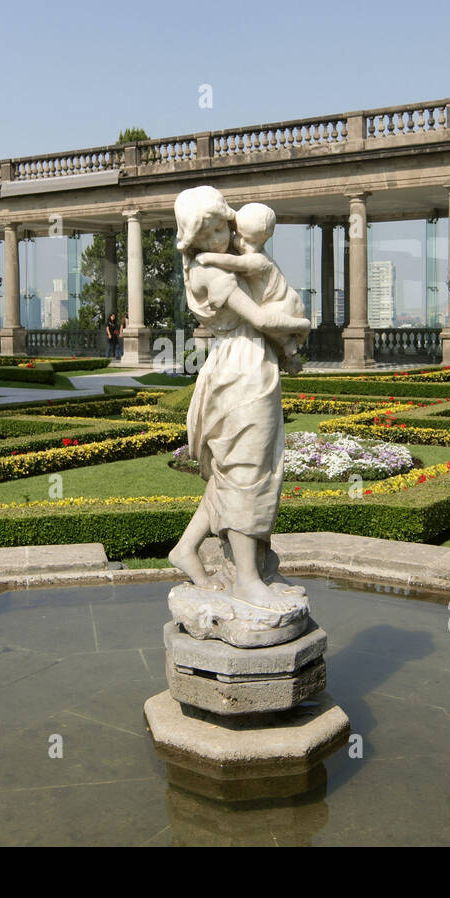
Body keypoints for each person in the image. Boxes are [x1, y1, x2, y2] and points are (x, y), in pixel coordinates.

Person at [166, 186, 310, 613]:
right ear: (192, 240)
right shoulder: (210, 272)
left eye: (219, 228)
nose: (216, 241)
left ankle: (198, 551)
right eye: (206, 235)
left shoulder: (228, 260)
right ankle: (247, 579)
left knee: (244, 468)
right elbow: (263, 319)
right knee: (246, 470)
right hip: (241, 369)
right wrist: (303, 324)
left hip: (252, 364)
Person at [195, 202, 309, 374]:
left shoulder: (259, 260)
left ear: (264, 240)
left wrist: (208, 257)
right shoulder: (250, 250)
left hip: (283, 304)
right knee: (275, 335)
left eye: (248, 241)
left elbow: (236, 262)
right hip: (275, 303)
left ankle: (301, 329)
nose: (240, 243)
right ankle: (289, 351)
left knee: (265, 324)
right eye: (238, 235)